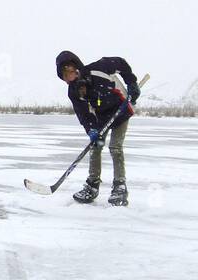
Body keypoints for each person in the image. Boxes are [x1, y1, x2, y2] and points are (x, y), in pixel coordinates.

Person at [55, 50, 140, 206]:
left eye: (70, 72)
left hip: (121, 110)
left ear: (77, 67)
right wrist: (92, 130)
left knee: (115, 147)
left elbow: (121, 63)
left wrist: (131, 83)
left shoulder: (99, 68)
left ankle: (119, 187)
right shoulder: (73, 91)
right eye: (64, 76)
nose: (69, 78)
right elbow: (83, 114)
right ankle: (92, 186)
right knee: (95, 147)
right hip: (101, 117)